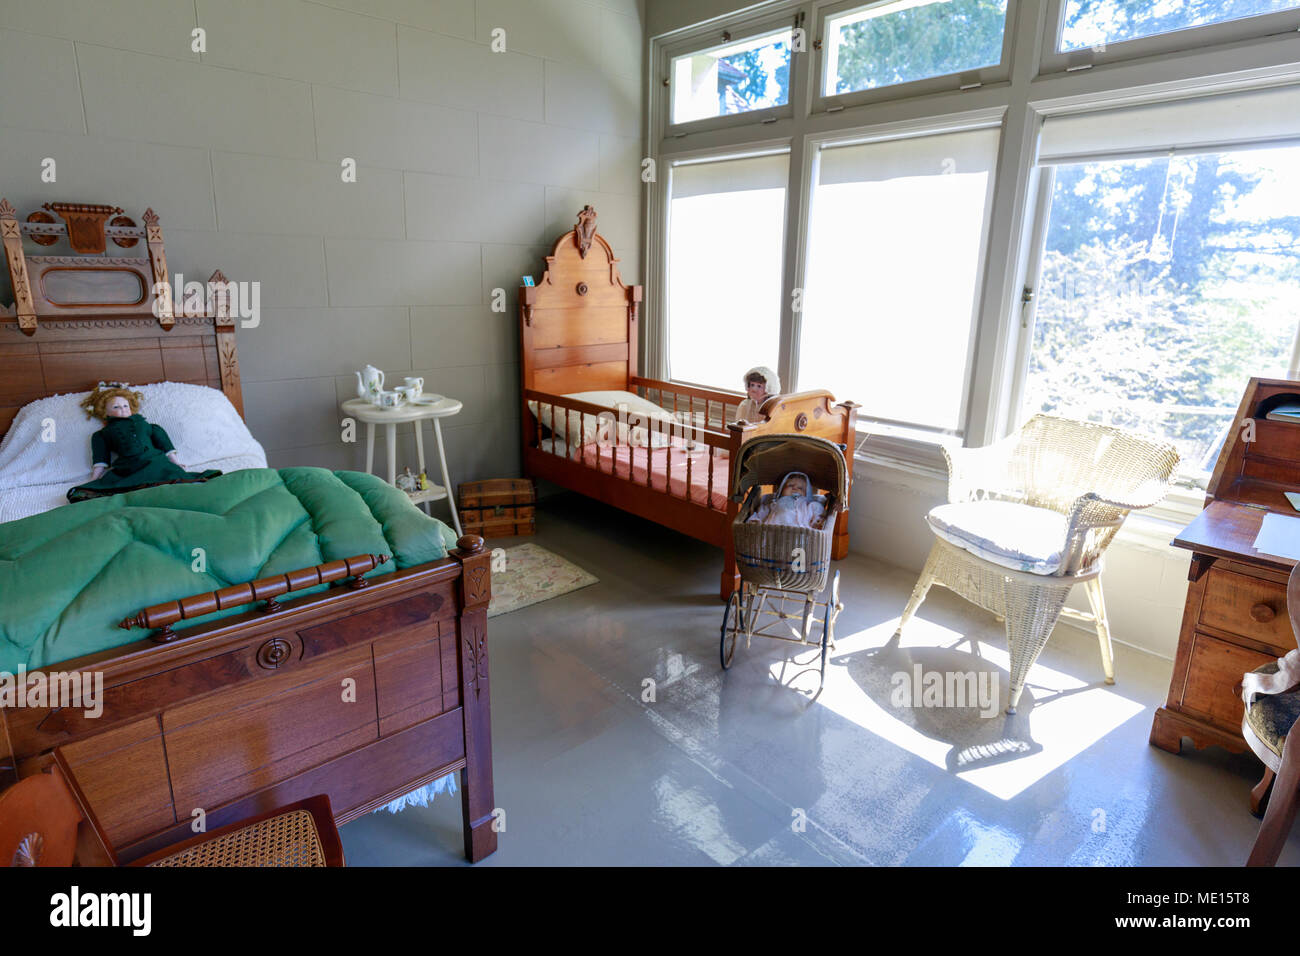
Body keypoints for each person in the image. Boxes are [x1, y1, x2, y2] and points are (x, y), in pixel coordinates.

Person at [67, 383, 222, 503]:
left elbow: (164, 443)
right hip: (128, 466)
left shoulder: (147, 425)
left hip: (154, 459)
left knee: (172, 474)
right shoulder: (101, 434)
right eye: (116, 407)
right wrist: (95, 477)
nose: (122, 409)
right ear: (105, 412)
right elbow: (101, 458)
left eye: (125, 406)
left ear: (132, 407)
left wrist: (176, 462)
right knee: (112, 485)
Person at [747, 471, 826, 528]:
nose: (795, 488)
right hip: (773, 531)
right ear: (781, 490)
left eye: (800, 488)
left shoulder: (808, 505)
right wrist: (756, 520)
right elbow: (762, 512)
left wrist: (818, 521)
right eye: (790, 485)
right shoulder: (775, 503)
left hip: (799, 532)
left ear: (806, 494)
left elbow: (818, 510)